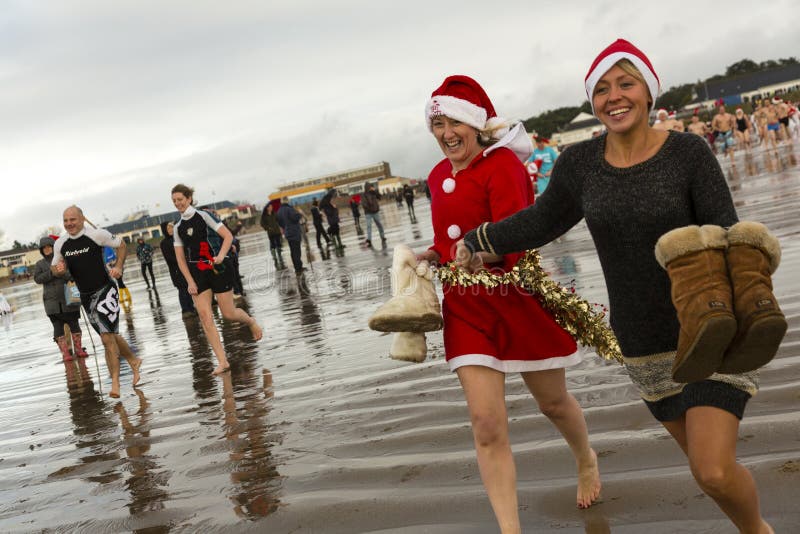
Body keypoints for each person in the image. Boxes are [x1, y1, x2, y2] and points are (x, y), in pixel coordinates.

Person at [457, 39, 781, 534]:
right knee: (703, 466)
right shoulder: (580, 165)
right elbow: (543, 220)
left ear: (648, 92)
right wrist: (481, 239)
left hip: (709, 328)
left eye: (626, 83)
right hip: (645, 345)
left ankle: (759, 529)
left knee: (712, 469)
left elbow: (725, 231)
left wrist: (749, 299)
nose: (614, 97)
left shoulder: (688, 153)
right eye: (602, 89)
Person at [416, 74, 601, 531]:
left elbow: (518, 235)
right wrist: (432, 254)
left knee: (553, 404)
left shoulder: (504, 167)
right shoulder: (437, 177)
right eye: (437, 126)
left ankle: (586, 458)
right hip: (466, 307)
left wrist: (482, 253)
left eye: (453, 122)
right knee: (486, 423)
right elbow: (447, 242)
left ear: (476, 124)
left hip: (516, 297)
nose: (445, 135)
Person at [171, 184, 263, 375]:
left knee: (228, 313)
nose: (177, 203)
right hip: (197, 272)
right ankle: (222, 361)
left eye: (180, 199)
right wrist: (189, 281)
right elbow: (180, 259)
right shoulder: (178, 227)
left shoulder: (204, 216)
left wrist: (221, 255)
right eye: (174, 201)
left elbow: (228, 236)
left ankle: (251, 321)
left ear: (188, 198)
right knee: (205, 317)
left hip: (218, 267)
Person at [51, 205, 142, 398]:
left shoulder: (97, 235)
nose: (69, 224)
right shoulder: (61, 243)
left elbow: (122, 245)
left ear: (82, 219)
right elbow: (54, 268)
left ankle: (115, 383)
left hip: (105, 289)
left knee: (106, 338)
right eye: (65, 220)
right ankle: (133, 360)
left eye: (72, 219)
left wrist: (119, 266)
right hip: (85, 295)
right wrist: (57, 270)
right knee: (110, 333)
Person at [34, 235, 89, 361]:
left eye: (49, 247)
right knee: (58, 328)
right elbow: (37, 279)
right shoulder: (39, 264)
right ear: (41, 250)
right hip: (52, 303)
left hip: (69, 299)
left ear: (54, 247)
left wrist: (63, 272)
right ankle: (66, 353)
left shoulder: (64, 260)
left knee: (74, 325)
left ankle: (79, 350)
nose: (47, 249)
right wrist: (52, 272)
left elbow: (73, 276)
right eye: (44, 248)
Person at [159, 221, 196, 316]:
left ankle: (191, 307)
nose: (170, 230)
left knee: (189, 287)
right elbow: (169, 258)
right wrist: (181, 260)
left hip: (185, 267)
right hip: (176, 270)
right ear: (164, 230)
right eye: (168, 228)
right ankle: (185, 310)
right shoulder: (164, 243)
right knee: (182, 289)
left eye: (172, 228)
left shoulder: (178, 239)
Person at [276, 196, 305, 274]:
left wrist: (285, 228)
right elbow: (295, 218)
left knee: (293, 250)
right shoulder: (289, 209)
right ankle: (299, 267)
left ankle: (297, 267)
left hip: (287, 233)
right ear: (287, 201)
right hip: (294, 231)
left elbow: (280, 223)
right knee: (296, 251)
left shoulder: (279, 211)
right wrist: (300, 213)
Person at [260, 202, 286, 270]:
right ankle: (274, 257)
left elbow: (279, 220)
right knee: (273, 245)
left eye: (272, 206)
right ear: (267, 208)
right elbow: (262, 224)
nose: (271, 207)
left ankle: (280, 256)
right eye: (270, 207)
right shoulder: (264, 216)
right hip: (271, 233)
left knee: (279, 244)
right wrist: (267, 228)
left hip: (277, 231)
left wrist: (281, 228)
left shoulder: (274, 213)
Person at [361, 183, 386, 248]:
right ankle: (369, 240)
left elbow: (380, 197)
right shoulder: (364, 195)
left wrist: (375, 191)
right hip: (368, 213)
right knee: (369, 226)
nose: (371, 188)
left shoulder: (374, 193)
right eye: (370, 187)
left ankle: (382, 236)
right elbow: (364, 204)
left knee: (379, 224)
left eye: (371, 187)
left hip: (375, 212)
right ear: (367, 187)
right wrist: (370, 208)